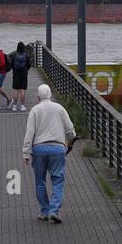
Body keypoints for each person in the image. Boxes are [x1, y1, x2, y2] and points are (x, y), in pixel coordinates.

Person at [22, 84, 76, 222]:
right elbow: (70, 129)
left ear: (38, 97)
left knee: (40, 181)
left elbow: (30, 133)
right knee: (57, 180)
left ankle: (44, 211)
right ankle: (54, 210)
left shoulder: (34, 110)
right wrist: (70, 140)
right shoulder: (59, 108)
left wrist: (26, 152)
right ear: (50, 95)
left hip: (39, 149)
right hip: (58, 148)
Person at [9, 41, 31, 111]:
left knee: (16, 90)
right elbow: (29, 65)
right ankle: (22, 106)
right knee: (22, 90)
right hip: (24, 74)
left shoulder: (14, 55)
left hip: (16, 74)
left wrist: (15, 70)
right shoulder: (26, 55)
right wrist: (25, 69)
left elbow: (11, 64)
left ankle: (14, 106)